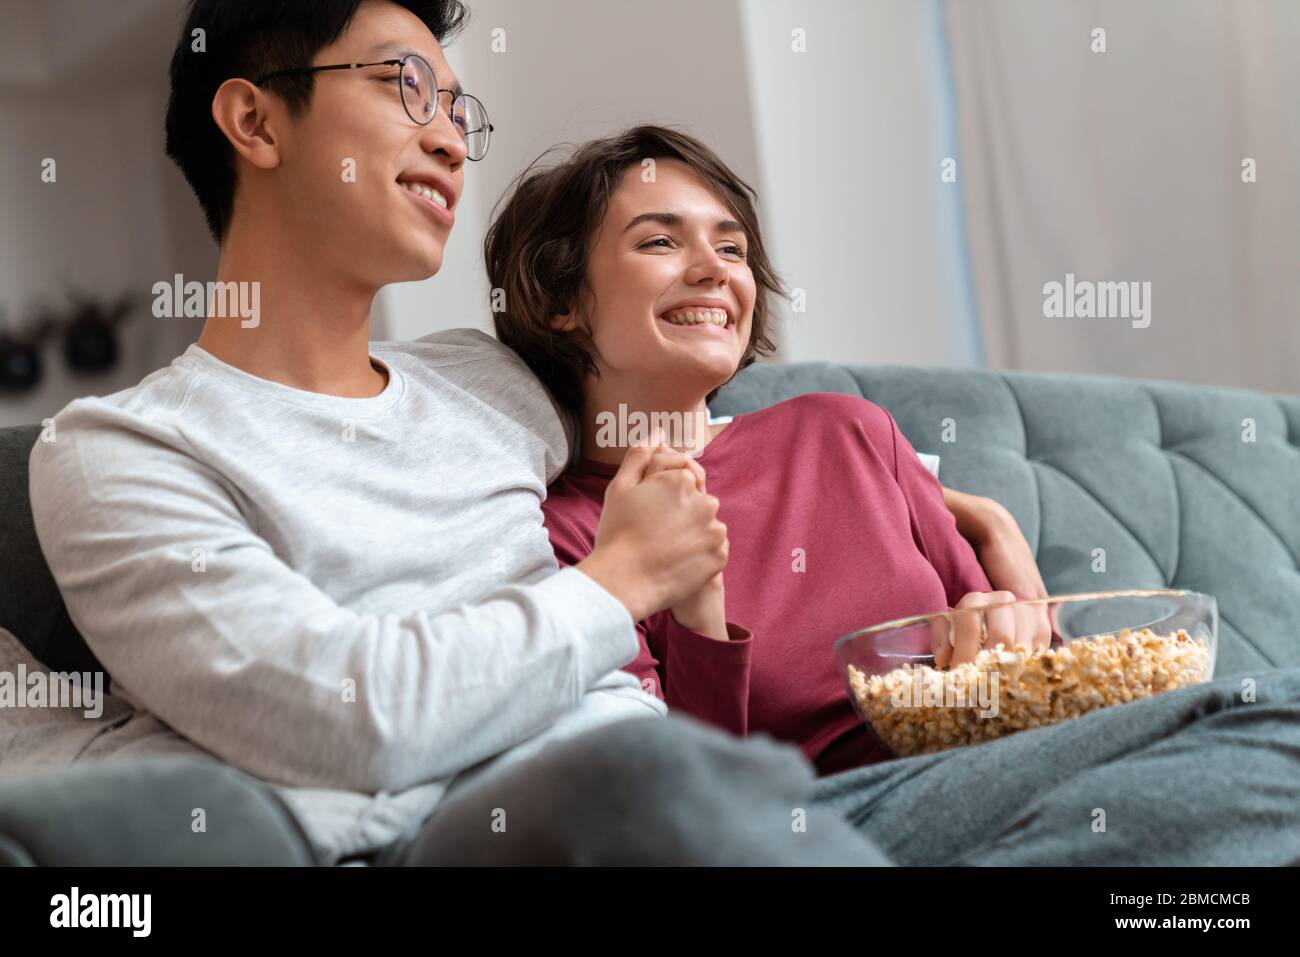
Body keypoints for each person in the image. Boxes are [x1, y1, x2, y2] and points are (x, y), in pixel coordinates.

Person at [20, 0, 889, 866]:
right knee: (661, 784)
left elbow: (681, 414)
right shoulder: (117, 452)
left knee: (1026, 766)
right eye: (405, 85)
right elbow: (343, 715)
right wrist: (620, 578)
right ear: (255, 120)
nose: (447, 140)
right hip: (496, 824)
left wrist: (910, 479)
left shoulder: (493, 381)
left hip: (687, 782)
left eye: (455, 110)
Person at [486, 125, 1300, 864]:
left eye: (732, 249)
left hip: (1003, 776)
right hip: (823, 823)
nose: (713, 269)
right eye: (660, 241)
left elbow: (1022, 681)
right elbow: (690, 810)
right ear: (560, 299)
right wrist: (698, 606)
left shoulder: (842, 432)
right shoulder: (563, 535)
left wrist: (1016, 592)